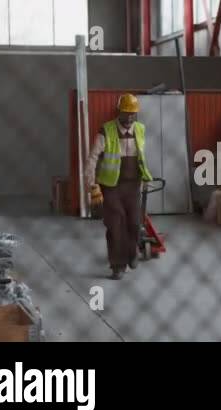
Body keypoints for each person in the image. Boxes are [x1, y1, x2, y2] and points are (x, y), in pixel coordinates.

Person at [85, 93, 153, 280]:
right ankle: (117, 266)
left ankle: (132, 255)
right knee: (116, 226)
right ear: (119, 112)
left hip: (133, 187)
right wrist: (92, 185)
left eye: (133, 114)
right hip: (111, 187)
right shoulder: (106, 131)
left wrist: (145, 177)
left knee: (133, 223)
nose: (130, 118)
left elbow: (141, 156)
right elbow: (92, 158)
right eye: (126, 113)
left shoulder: (140, 129)